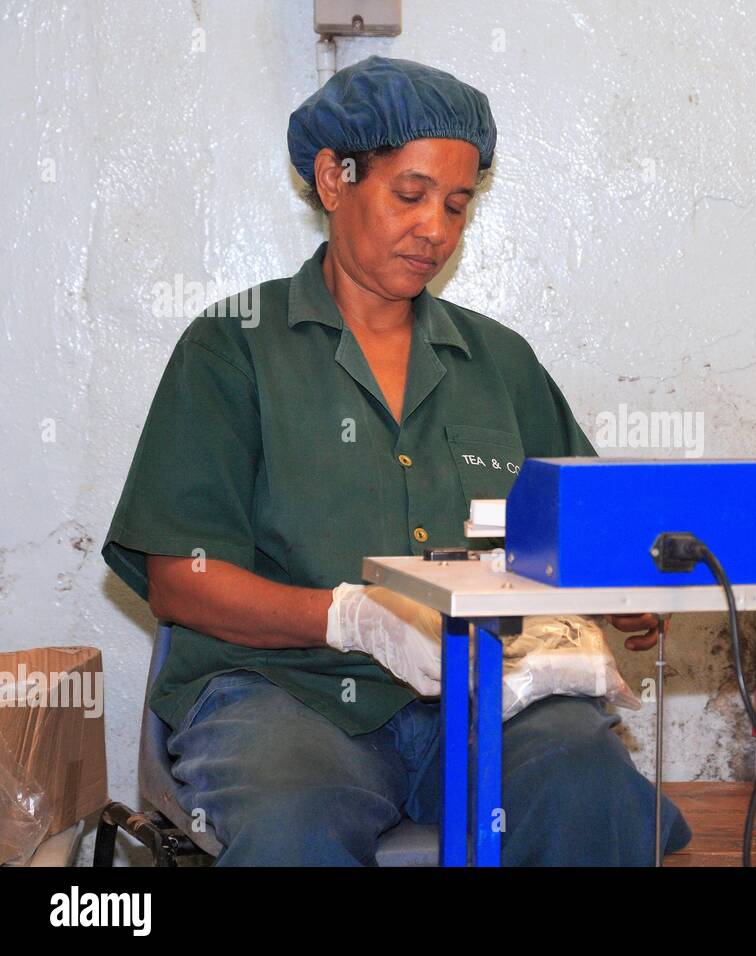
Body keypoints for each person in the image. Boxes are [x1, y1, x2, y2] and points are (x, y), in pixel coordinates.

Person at [102, 56, 691, 866]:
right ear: (334, 179)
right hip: (286, 693)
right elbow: (178, 577)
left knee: (588, 784)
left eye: (457, 205)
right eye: (409, 195)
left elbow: (589, 528)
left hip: (489, 697)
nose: (437, 230)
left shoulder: (499, 362)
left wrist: (631, 584)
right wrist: (350, 618)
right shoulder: (233, 348)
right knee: (291, 826)